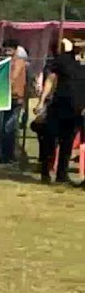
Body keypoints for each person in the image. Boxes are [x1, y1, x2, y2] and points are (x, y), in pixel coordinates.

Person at [34, 39, 84, 185]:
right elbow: (50, 79)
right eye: (77, 43)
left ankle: (62, 175)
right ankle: (45, 173)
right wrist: (41, 101)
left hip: (78, 110)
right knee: (50, 141)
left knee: (67, 144)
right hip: (58, 106)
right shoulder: (63, 59)